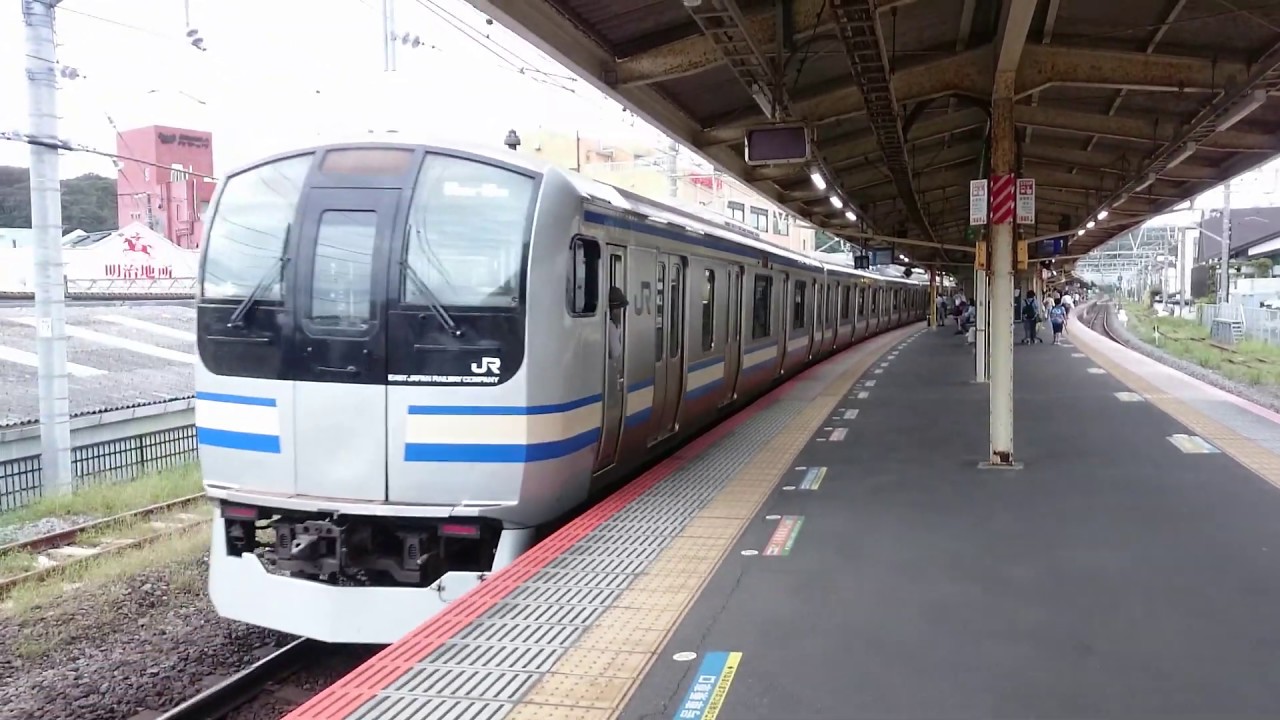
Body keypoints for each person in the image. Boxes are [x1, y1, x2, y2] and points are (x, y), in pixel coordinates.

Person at [608, 286, 627, 361]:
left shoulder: (617, 326)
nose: (622, 313)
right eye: (620, 309)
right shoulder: (610, 328)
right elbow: (615, 354)